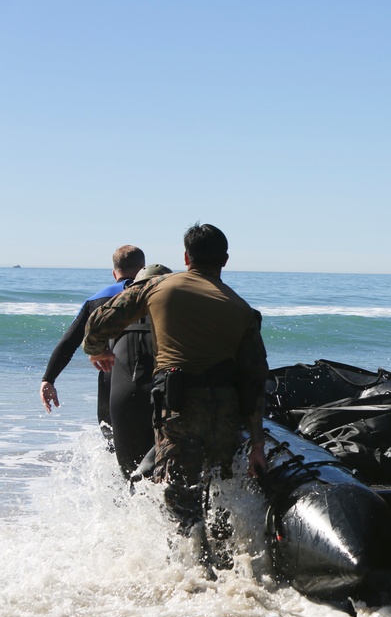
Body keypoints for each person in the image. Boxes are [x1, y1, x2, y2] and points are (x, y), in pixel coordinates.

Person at [83, 224, 268, 554]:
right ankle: (229, 569)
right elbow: (254, 379)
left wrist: (96, 349)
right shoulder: (241, 308)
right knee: (220, 495)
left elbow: (99, 321)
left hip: (179, 408)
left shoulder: (158, 286)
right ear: (225, 259)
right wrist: (257, 444)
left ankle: (187, 579)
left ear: (186, 257)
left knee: (178, 499)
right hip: (226, 414)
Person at [40, 245, 145, 439]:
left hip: (112, 378)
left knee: (112, 444)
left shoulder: (95, 300)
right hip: (152, 375)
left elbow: (69, 342)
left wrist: (48, 379)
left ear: (114, 273)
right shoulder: (156, 294)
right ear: (142, 267)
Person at [105, 263, 173, 477]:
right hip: (165, 398)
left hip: (123, 398)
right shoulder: (179, 318)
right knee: (168, 476)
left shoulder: (114, 317)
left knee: (130, 477)